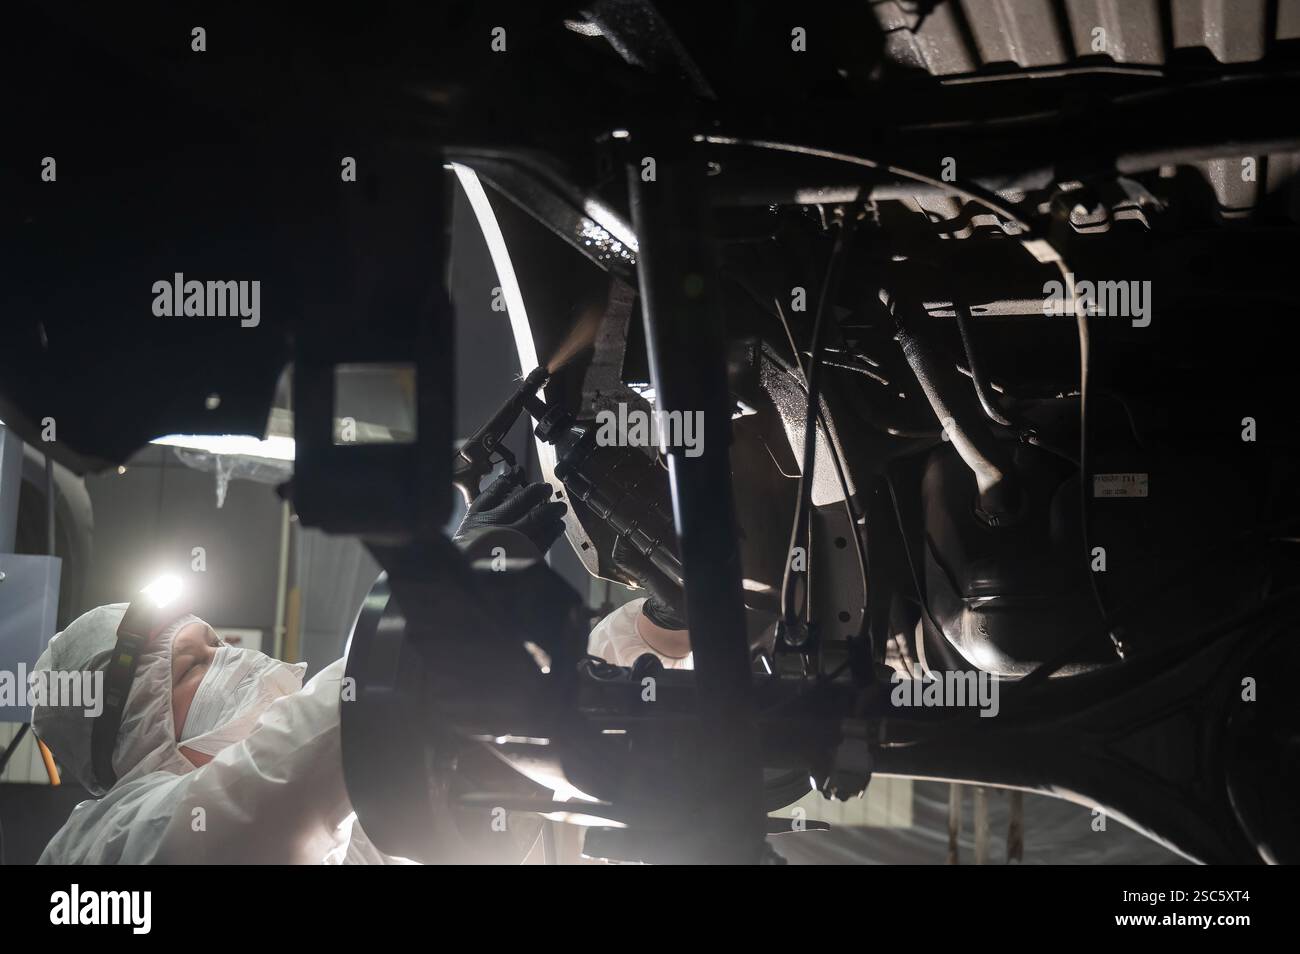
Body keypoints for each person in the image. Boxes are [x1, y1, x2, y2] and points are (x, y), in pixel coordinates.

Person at [34, 476, 650, 864]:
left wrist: (649, 628)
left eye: (218, 641)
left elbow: (546, 800)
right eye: (194, 661)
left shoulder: (358, 818)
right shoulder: (96, 850)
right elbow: (244, 822)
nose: (234, 660)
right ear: (134, 733)